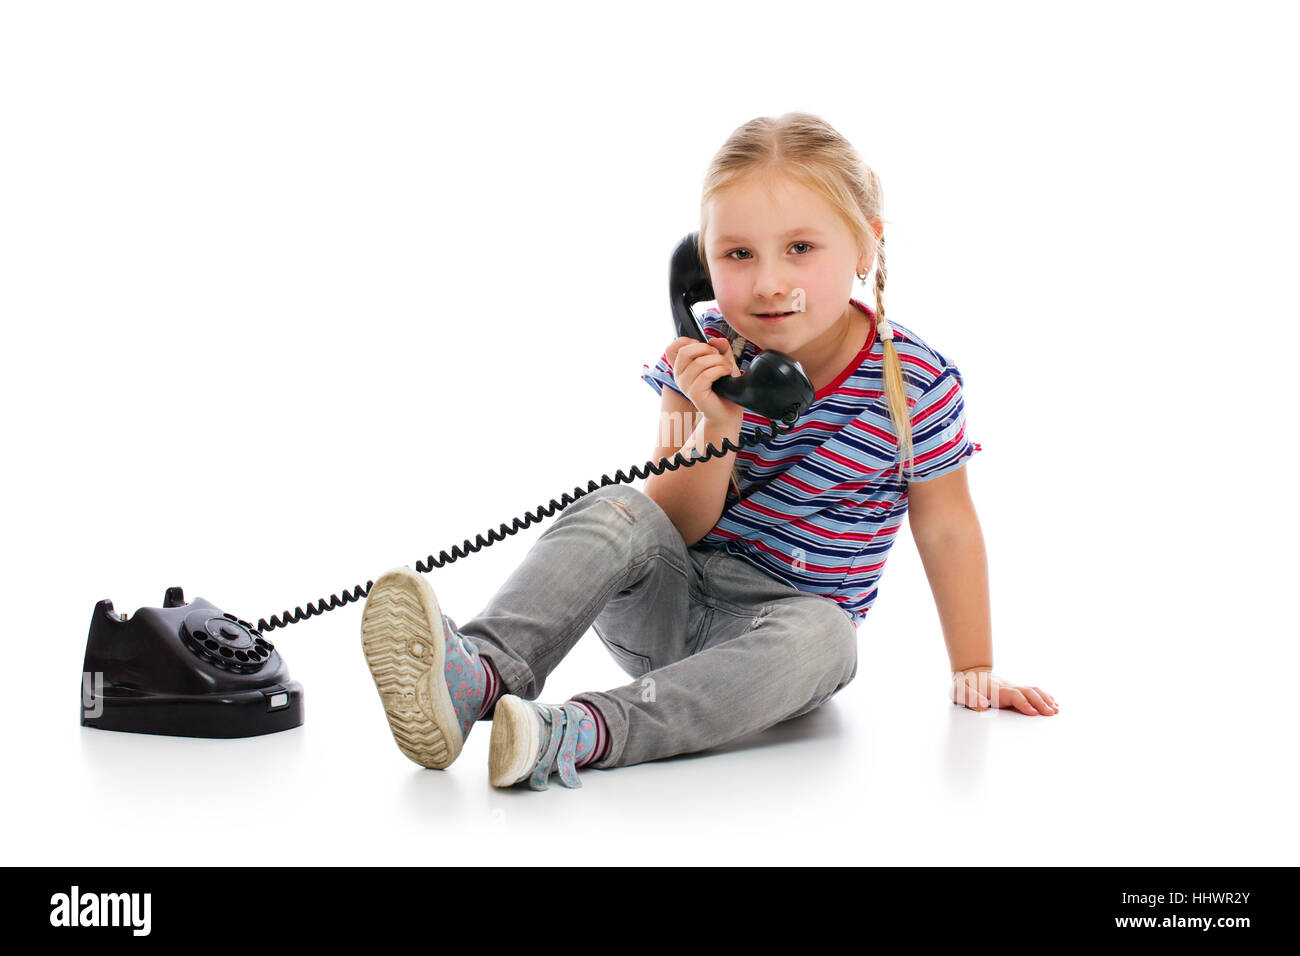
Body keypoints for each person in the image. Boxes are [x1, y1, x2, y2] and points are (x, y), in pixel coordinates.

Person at [359, 111, 1058, 792]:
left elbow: (946, 525)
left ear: (866, 246)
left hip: (776, 646)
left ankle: (576, 732)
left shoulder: (919, 381)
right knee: (617, 509)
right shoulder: (699, 360)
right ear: (701, 264)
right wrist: (714, 418)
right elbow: (669, 525)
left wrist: (976, 664)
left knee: (831, 638)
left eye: (801, 249)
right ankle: (477, 674)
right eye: (738, 254)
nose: (768, 282)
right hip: (664, 607)